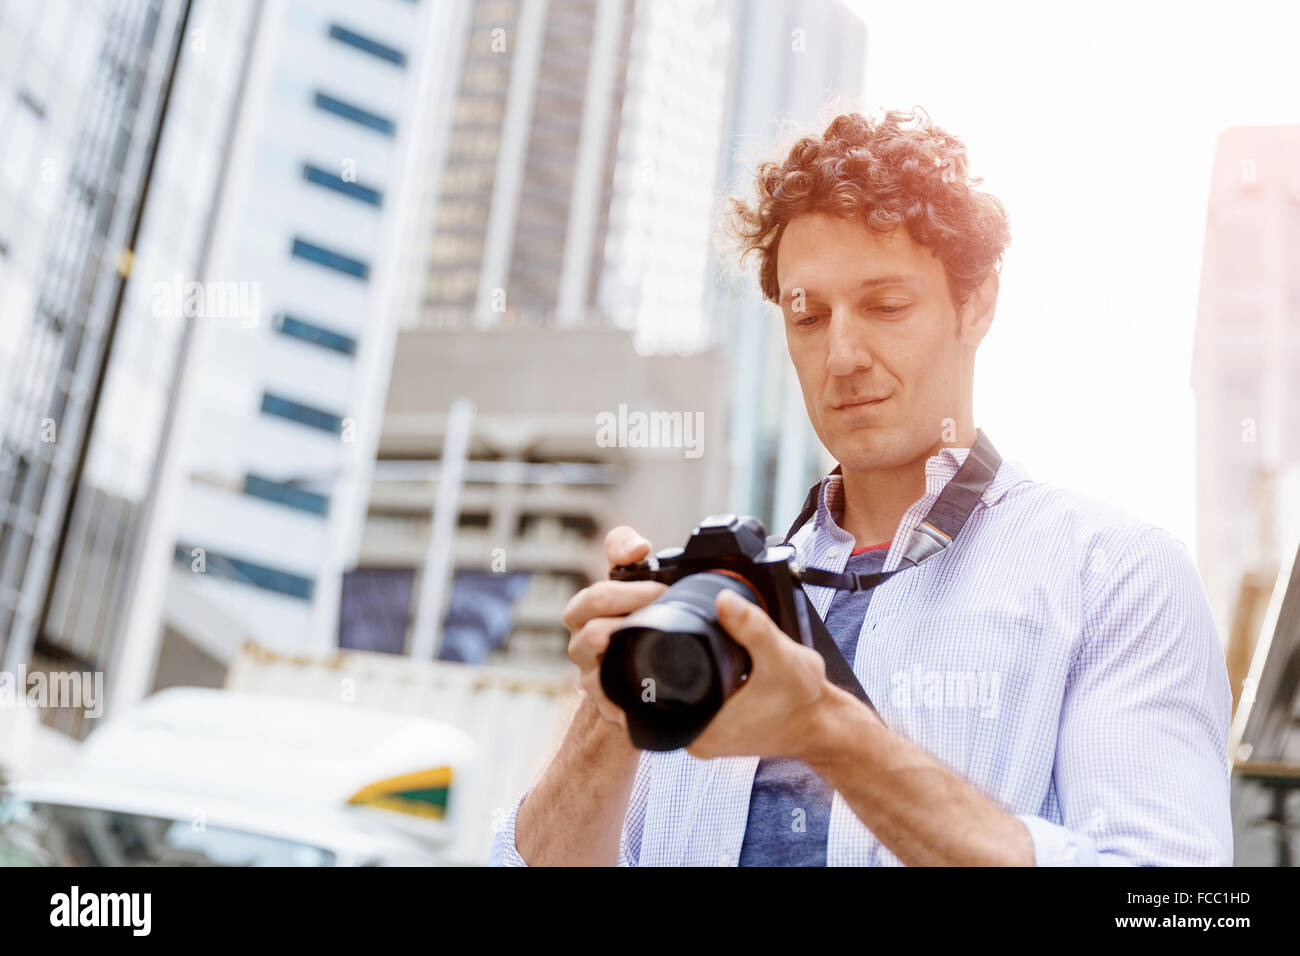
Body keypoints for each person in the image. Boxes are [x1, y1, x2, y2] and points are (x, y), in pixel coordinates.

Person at [490, 108, 1233, 866]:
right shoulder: (714, 600)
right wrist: (612, 710)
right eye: (808, 316)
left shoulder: (1117, 576)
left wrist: (828, 734)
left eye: (885, 306)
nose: (841, 355)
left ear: (976, 305)